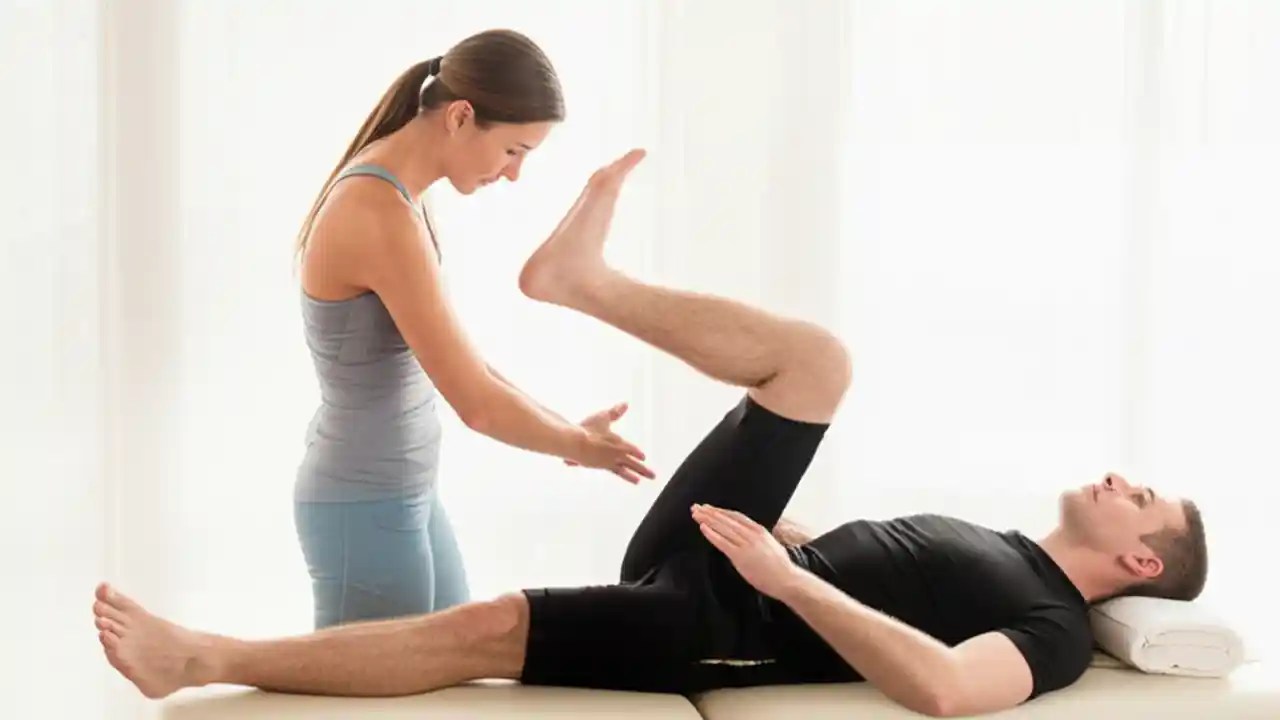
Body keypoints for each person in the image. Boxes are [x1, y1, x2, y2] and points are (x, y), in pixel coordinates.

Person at [95, 151, 1208, 717]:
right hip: (742, 556)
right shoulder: (1003, 547)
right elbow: (880, 570)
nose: (1121, 479)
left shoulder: (1052, 626)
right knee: (816, 363)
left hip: (721, 620)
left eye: (1141, 496)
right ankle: (576, 281)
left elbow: (950, 690)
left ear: (1139, 561)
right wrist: (786, 531)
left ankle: (204, 656)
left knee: (488, 626)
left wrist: (790, 579)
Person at [292, 28, 653, 630]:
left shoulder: (402, 199)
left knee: (452, 680)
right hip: (363, 504)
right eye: (514, 150)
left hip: (402, 495)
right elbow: (477, 406)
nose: (513, 174)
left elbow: (466, 362)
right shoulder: (375, 210)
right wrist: (578, 449)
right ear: (461, 116)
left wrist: (570, 430)